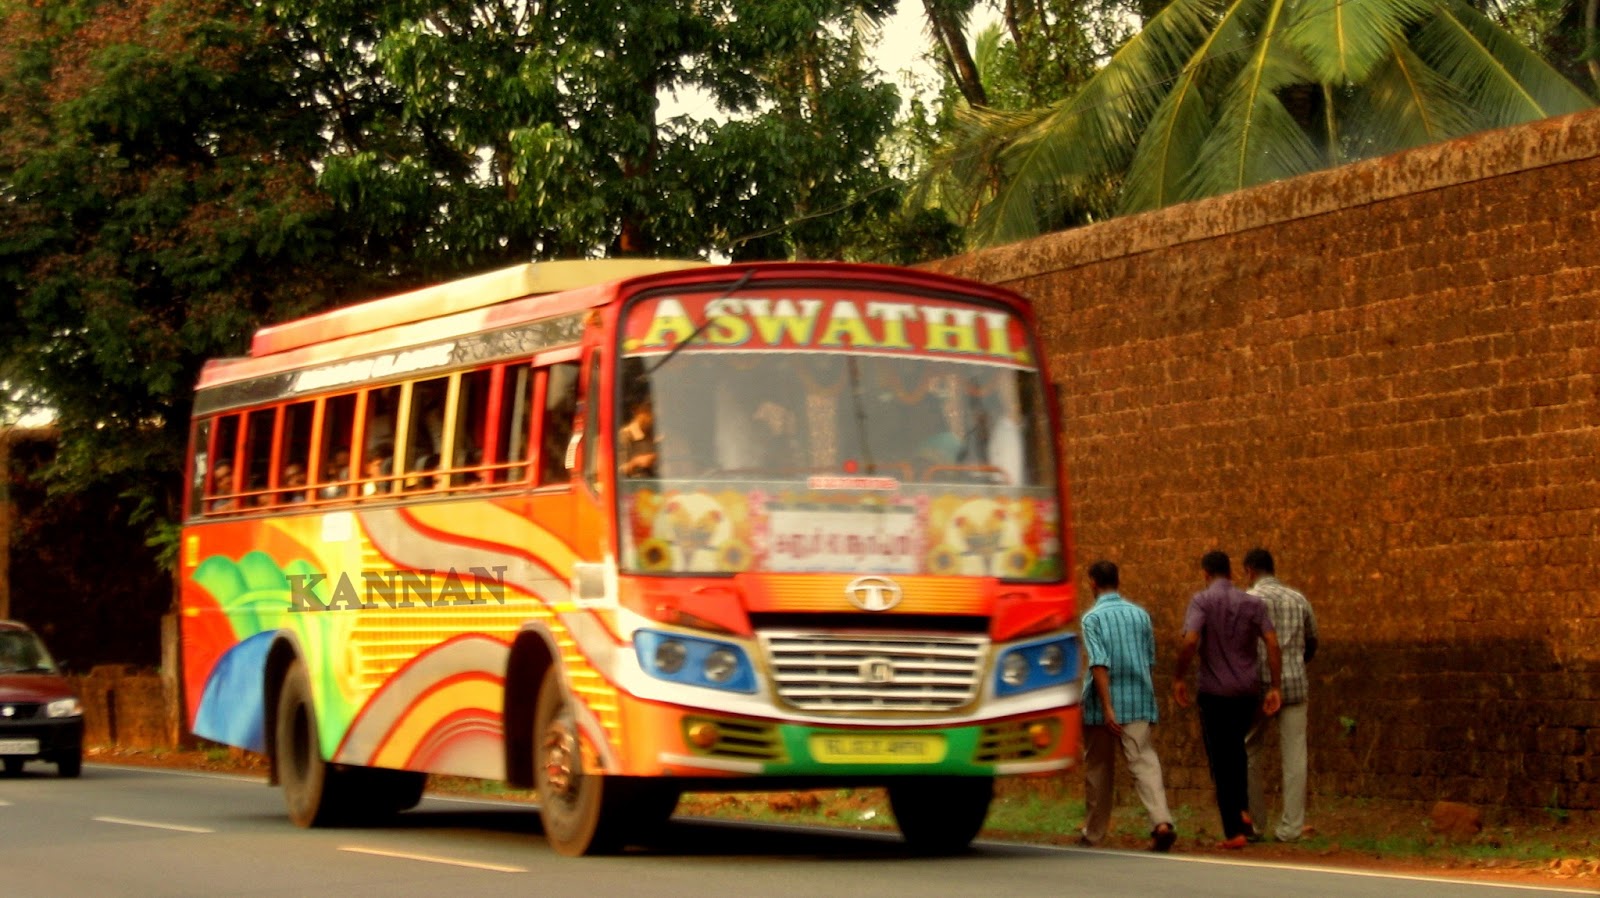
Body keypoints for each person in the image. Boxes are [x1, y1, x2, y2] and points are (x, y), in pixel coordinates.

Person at [1172, 549, 1283, 849]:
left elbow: (1191, 640)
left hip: (1215, 693)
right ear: (1232, 572)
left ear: (1206, 574)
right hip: (1247, 693)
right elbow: (1272, 643)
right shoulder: (1252, 603)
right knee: (1237, 752)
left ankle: (1234, 829)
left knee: (1221, 761)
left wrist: (1179, 676)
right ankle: (1243, 811)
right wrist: (1275, 686)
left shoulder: (1202, 601)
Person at [1078, 560, 1177, 852]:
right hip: (1138, 700)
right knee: (1144, 762)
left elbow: (1098, 664)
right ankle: (1161, 822)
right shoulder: (1141, 616)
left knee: (1098, 769)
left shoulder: (1092, 619)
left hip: (1101, 707)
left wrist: (1108, 707)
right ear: (1118, 581)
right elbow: (1149, 660)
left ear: (1093, 582)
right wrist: (1150, 704)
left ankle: (1094, 834)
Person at [1243, 547, 1319, 843]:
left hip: (1259, 686)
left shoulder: (1247, 601)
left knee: (1248, 750)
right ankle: (1290, 828)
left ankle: (1256, 823)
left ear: (1249, 570)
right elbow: (1312, 640)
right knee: (1295, 756)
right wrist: (1296, 664)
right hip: (1296, 684)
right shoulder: (1298, 599)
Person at [619, 395, 658, 477]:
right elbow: (616, 472)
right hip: (633, 485)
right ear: (636, 412)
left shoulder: (653, 433)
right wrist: (636, 462)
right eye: (647, 412)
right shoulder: (625, 435)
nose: (652, 417)